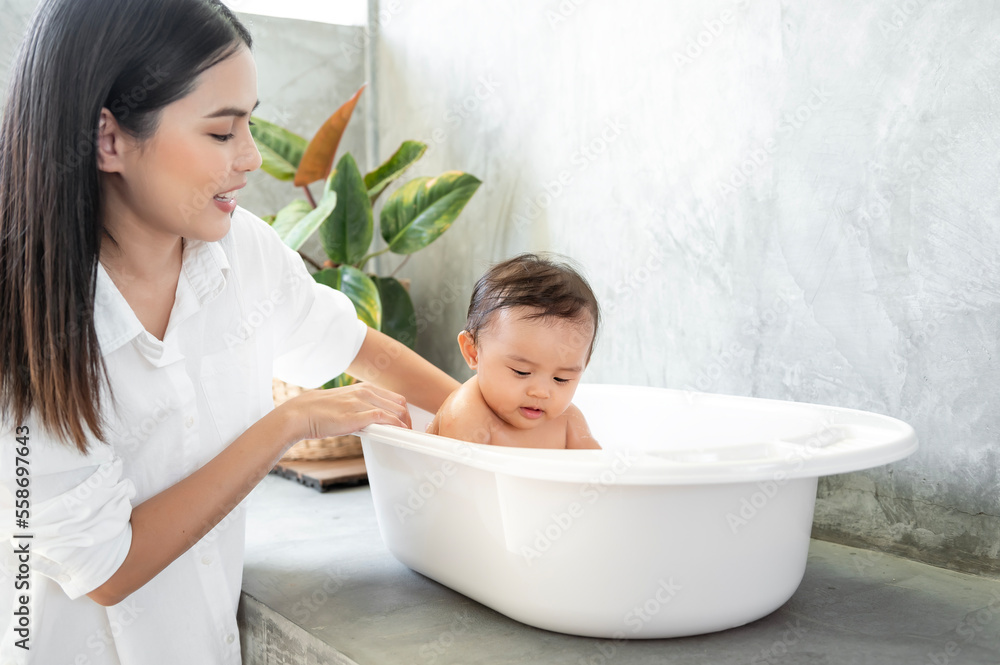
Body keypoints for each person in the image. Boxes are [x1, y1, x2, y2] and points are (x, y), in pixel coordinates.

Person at [0, 0, 459, 662]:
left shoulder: (242, 249)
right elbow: (106, 569)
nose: (251, 157)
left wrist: (496, 422)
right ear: (108, 139)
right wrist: (289, 423)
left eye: (250, 124)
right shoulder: (24, 321)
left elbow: (351, 344)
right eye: (221, 133)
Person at [427, 254, 602, 449]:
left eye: (561, 379)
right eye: (522, 372)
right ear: (473, 352)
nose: (541, 392)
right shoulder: (466, 415)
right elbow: (459, 470)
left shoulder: (568, 422)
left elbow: (596, 464)